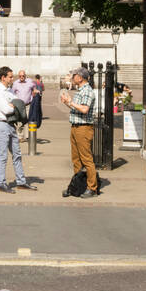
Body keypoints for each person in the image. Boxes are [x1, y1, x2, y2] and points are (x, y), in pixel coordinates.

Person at [0, 66, 36, 193]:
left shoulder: (10, 91)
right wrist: (14, 106)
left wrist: (13, 106)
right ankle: (1, 183)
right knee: (3, 156)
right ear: (3, 78)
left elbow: (17, 104)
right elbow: (7, 109)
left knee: (17, 154)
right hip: (1, 125)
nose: (12, 78)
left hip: (11, 124)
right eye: (10, 76)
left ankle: (21, 181)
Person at [60, 66, 98, 198]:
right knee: (76, 159)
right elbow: (76, 108)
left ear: (80, 77)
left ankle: (92, 187)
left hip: (84, 128)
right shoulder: (80, 90)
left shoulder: (87, 91)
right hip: (76, 127)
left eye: (74, 75)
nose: (72, 77)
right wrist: (67, 103)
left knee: (86, 159)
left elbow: (85, 109)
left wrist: (71, 102)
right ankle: (77, 185)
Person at [11, 69, 34, 142]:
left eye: (23, 76)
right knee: (20, 121)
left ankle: (27, 136)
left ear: (25, 76)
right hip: (19, 106)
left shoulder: (30, 82)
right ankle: (20, 136)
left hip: (28, 104)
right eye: (20, 76)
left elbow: (34, 89)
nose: (22, 77)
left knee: (27, 120)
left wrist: (33, 97)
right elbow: (12, 93)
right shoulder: (15, 83)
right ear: (18, 76)